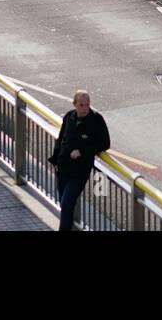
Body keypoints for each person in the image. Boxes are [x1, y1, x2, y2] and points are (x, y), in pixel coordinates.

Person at [47, 90, 111, 231]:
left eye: (87, 105)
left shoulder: (96, 120)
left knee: (67, 203)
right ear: (74, 104)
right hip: (62, 167)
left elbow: (105, 143)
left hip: (79, 172)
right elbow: (61, 138)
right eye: (81, 105)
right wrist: (56, 159)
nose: (85, 108)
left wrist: (82, 151)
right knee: (64, 204)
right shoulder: (69, 116)